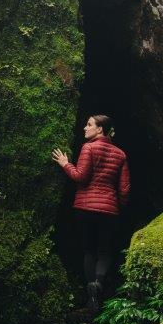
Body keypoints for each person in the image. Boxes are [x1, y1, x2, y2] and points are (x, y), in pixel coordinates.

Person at [52, 114, 130, 310]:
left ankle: (91, 296)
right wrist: (117, 206)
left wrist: (65, 163)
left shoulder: (88, 148)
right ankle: (99, 283)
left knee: (88, 250)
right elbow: (125, 189)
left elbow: (81, 177)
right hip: (109, 210)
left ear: (100, 129)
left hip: (85, 208)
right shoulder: (121, 154)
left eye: (89, 125)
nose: (84, 128)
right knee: (105, 251)